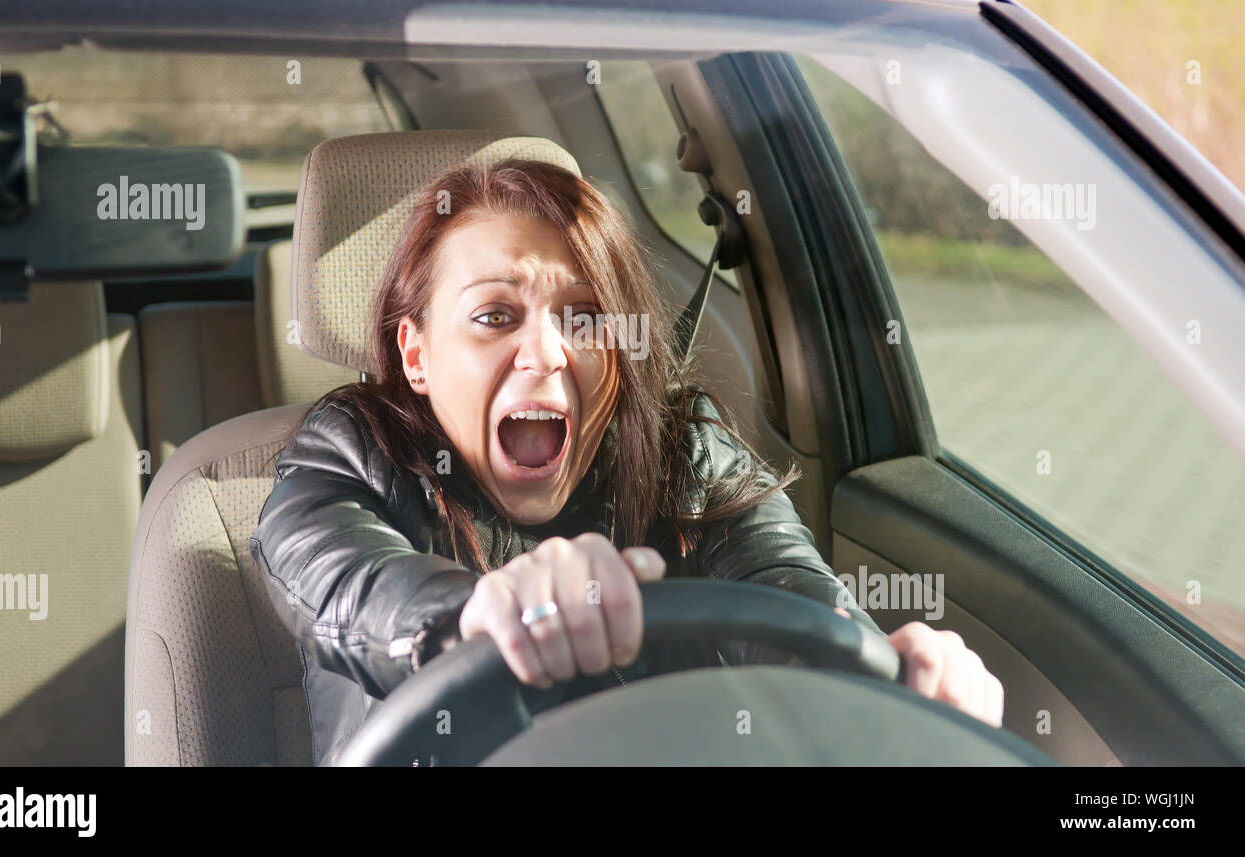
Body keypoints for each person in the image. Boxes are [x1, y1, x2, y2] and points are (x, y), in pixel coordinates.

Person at [250, 157, 1003, 765]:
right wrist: (478, 612)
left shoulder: (684, 450)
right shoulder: (349, 450)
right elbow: (352, 586)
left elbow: (790, 594)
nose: (546, 351)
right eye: (494, 316)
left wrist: (885, 677)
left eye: (584, 318)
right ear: (416, 353)